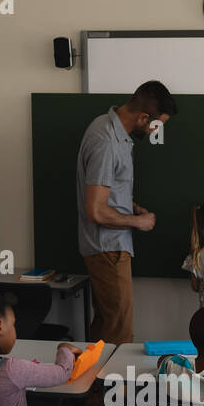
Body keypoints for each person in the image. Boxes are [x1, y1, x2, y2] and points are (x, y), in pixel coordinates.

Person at [77, 80, 178, 345]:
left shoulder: (112, 131)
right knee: (120, 333)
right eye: (156, 125)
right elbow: (96, 211)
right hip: (107, 248)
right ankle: (115, 387)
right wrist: (138, 221)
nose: (156, 131)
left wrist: (128, 206)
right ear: (144, 117)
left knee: (105, 327)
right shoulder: (106, 141)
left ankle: (95, 386)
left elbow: (104, 189)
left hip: (108, 247)